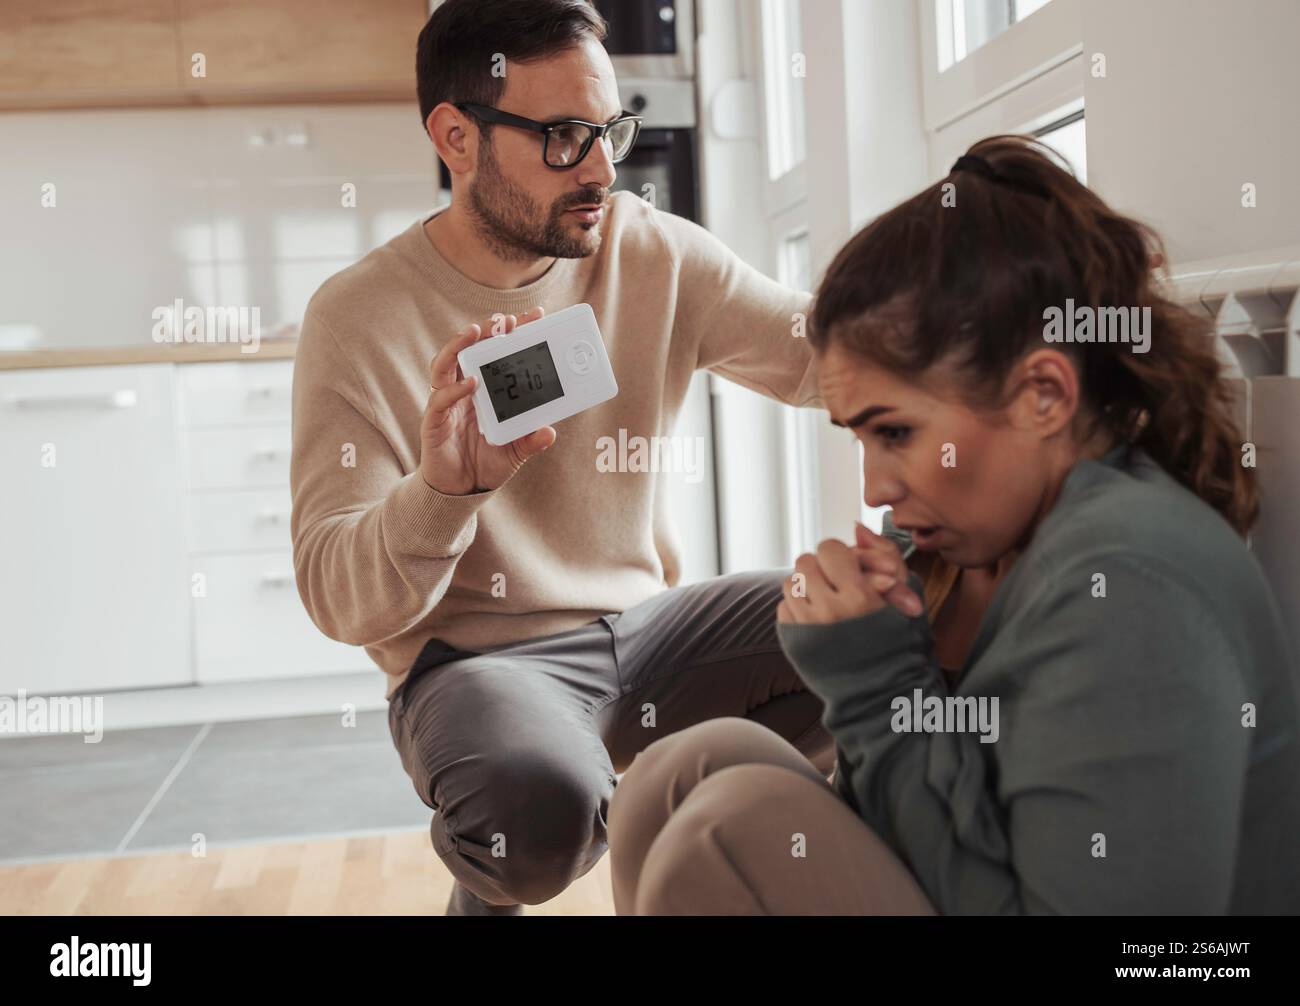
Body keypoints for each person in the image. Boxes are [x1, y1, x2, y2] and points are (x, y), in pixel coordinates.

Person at [607, 135, 1300, 915]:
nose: (873, 488)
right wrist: (877, 668)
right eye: (860, 439)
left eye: (896, 433)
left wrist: (873, 684)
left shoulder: (1130, 584)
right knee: (683, 771)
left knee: (729, 834)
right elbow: (920, 840)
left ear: (1043, 395)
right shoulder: (968, 550)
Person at [289, 0, 834, 915]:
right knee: (534, 820)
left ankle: (666, 815)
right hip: (475, 664)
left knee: (879, 630)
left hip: (652, 633)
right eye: (564, 137)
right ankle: (531, 842)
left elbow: (820, 355)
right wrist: (443, 492)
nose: (603, 167)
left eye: (610, 129)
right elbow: (336, 595)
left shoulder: (650, 250)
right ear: (456, 138)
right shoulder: (355, 316)